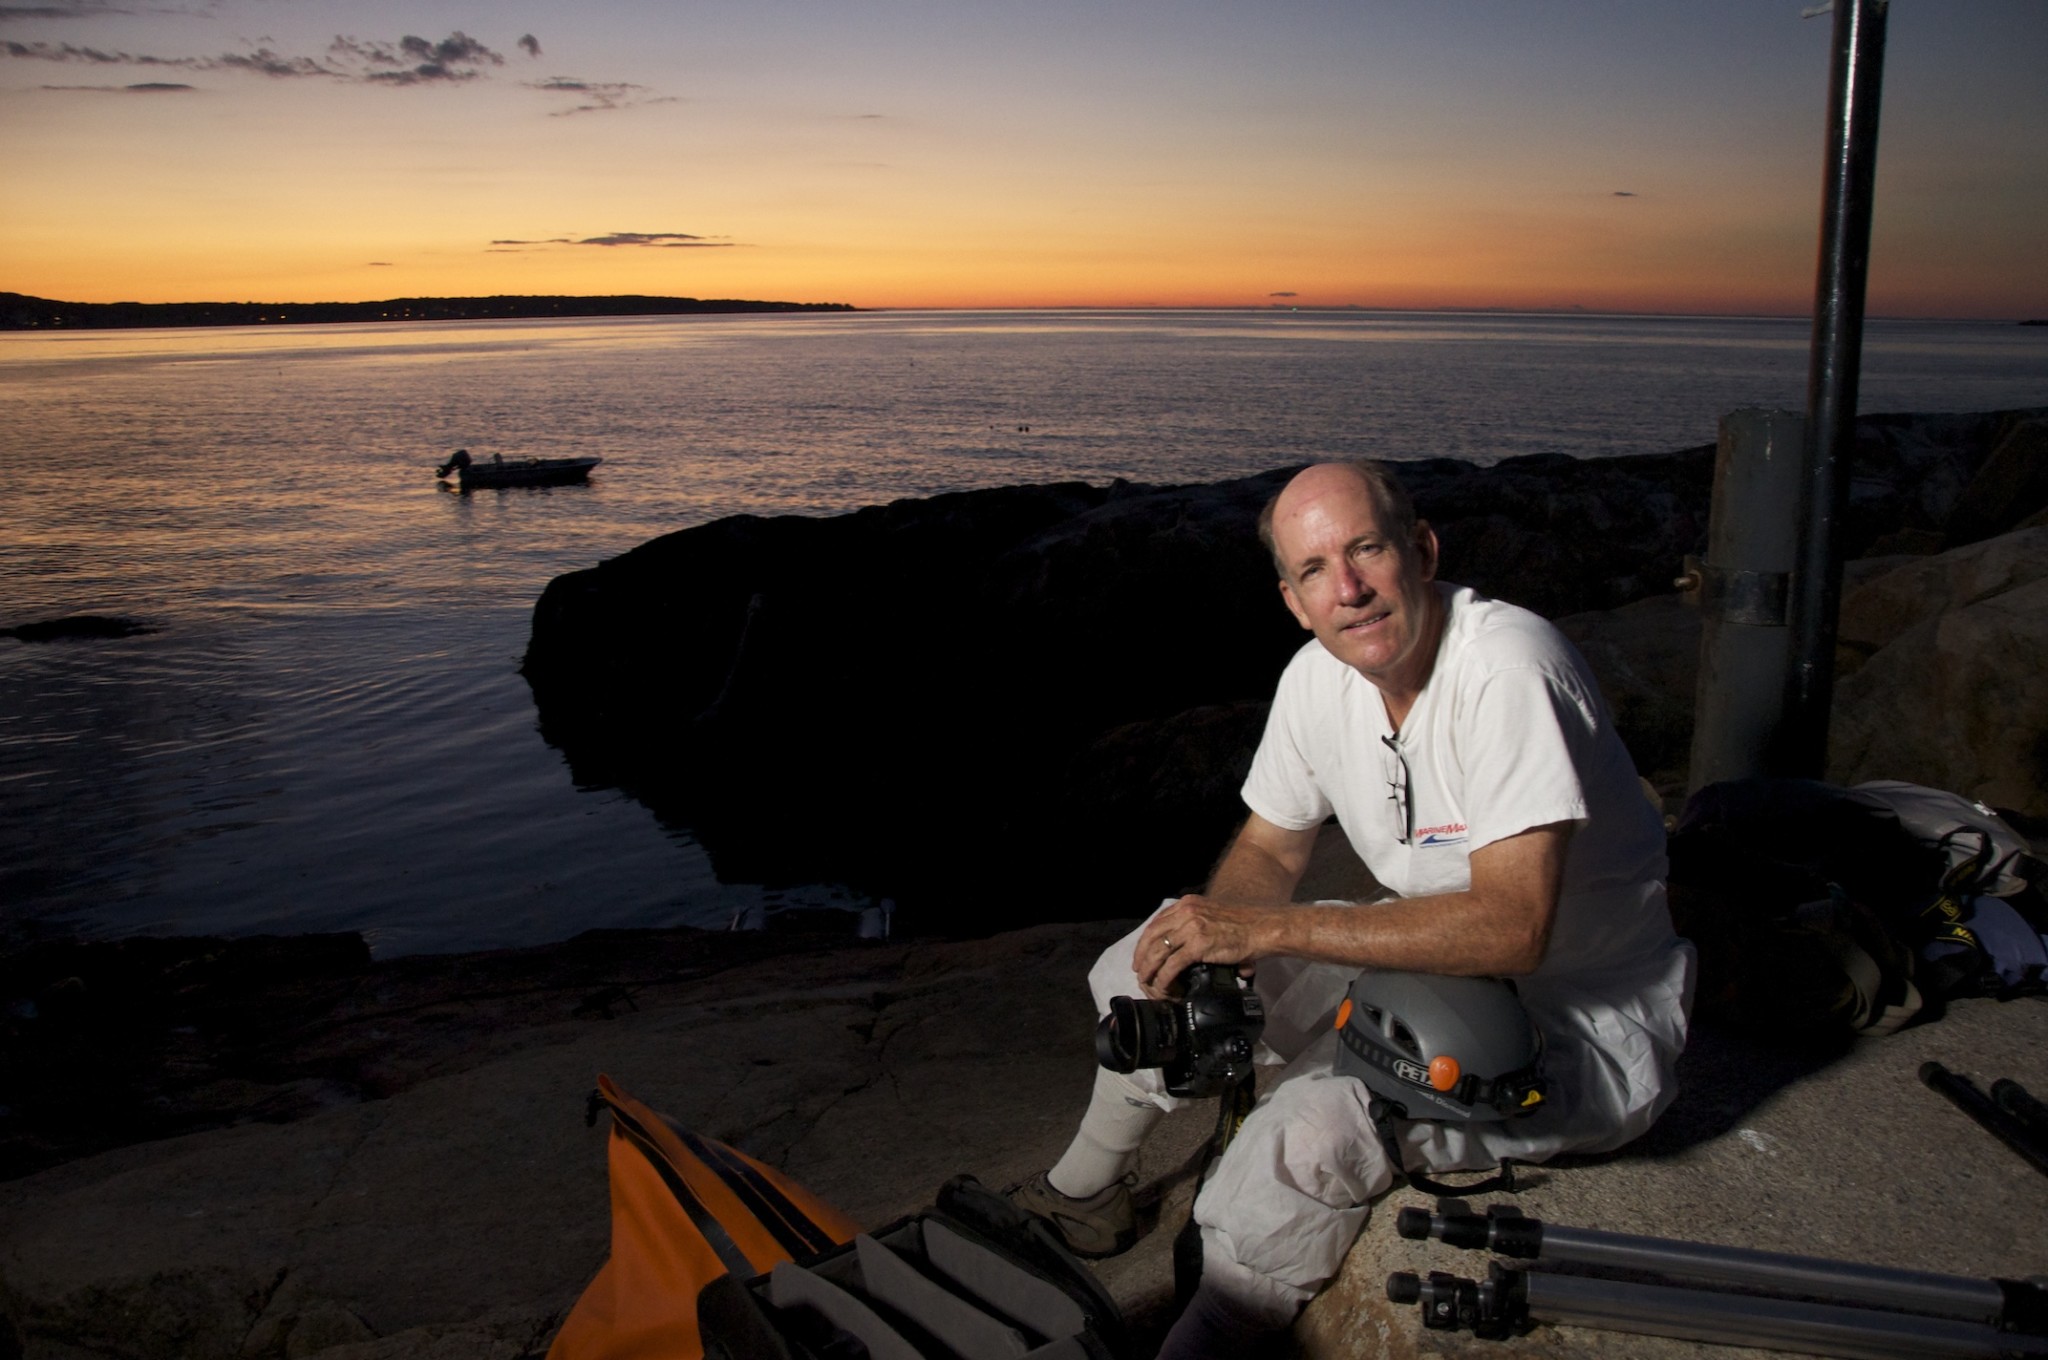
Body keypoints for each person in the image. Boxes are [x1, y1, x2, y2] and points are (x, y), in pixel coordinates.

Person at [1009, 460, 1695, 1357]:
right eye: (1315, 570)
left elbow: (1513, 926)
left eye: (1366, 549)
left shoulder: (1506, 668)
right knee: (1148, 967)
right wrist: (1224, 953)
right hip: (1427, 961)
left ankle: (1209, 1331)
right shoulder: (1316, 679)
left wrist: (1272, 928)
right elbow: (1268, 848)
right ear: (1293, 599)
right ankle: (1087, 1195)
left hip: (1574, 1012)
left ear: (1420, 549)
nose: (1350, 590)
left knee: (1298, 1138)